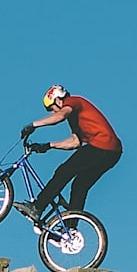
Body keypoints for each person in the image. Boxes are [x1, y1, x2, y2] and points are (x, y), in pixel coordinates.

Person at [15, 85, 122, 222]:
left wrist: (33, 125)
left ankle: (37, 207)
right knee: (79, 186)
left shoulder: (73, 102)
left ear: (58, 100)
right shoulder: (74, 117)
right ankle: (71, 230)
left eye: (52, 108)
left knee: (63, 171)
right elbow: (75, 142)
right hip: (112, 153)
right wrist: (48, 145)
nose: (52, 113)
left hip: (102, 146)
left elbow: (60, 116)